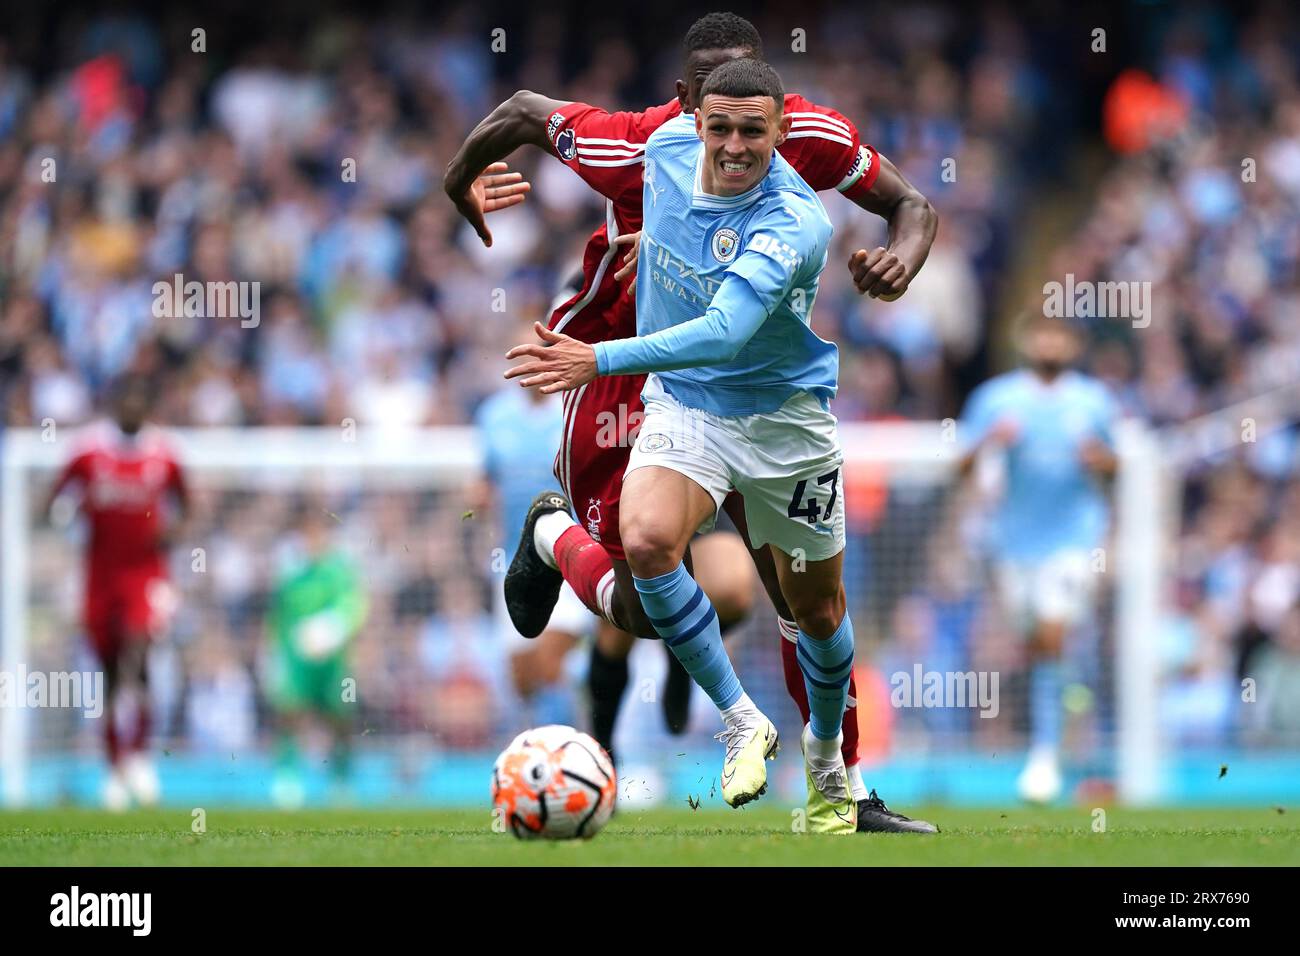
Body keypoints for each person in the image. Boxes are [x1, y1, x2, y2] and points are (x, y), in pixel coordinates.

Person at [445, 11, 937, 834]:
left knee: (787, 599)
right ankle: (558, 543)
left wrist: (903, 258)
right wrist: (459, 176)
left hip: (765, 406)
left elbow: (910, 204)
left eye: (756, 121)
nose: (735, 139)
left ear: (780, 120)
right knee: (643, 582)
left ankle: (840, 786)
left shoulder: (803, 175)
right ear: (688, 107)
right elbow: (527, 111)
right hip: (634, 379)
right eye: (716, 117)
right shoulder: (648, 142)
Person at [957, 314, 1118, 802]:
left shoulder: (1093, 401)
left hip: (1074, 541)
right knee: (1041, 644)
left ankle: (1045, 758)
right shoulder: (996, 399)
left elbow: (1117, 468)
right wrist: (991, 442)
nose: (1049, 342)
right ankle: (1074, 704)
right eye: (1041, 333)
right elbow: (959, 465)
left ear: (1073, 345)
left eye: (1059, 335)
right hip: (1013, 546)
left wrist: (1100, 460)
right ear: (1026, 339)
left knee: (1051, 634)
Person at [43, 374, 188, 810]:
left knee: (140, 655)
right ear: (112, 406)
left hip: (146, 574)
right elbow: (54, 500)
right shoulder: (88, 453)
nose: (130, 409)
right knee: (107, 672)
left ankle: (140, 755)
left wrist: (172, 532)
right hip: (99, 576)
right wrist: (65, 515)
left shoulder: (164, 456)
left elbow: (187, 506)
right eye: (124, 401)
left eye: (138, 402)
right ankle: (113, 766)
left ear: (146, 409)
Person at [265, 504, 368, 807]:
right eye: (306, 533)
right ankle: (288, 779)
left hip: (334, 660)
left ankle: (340, 779)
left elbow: (356, 605)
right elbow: (278, 615)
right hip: (296, 660)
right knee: (290, 715)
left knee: (340, 719)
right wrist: (272, 652)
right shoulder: (290, 571)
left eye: (317, 533)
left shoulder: (338, 570)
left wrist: (334, 628)